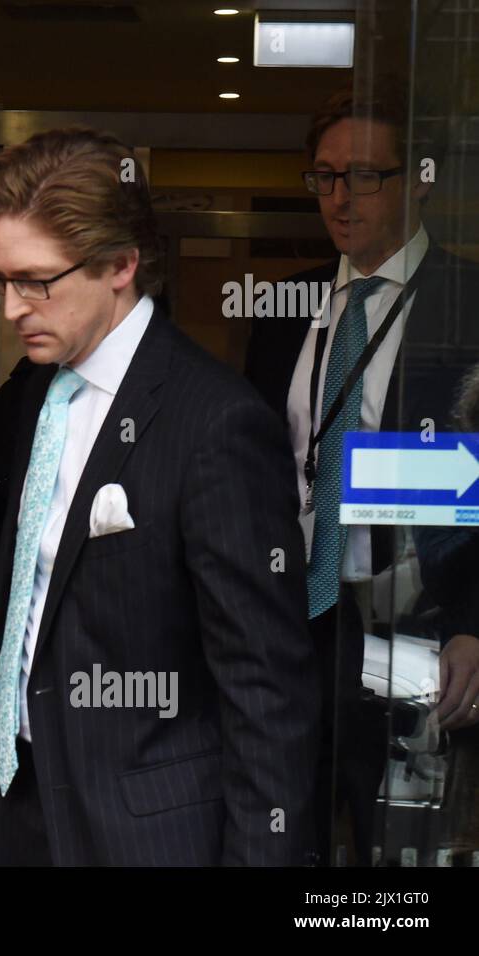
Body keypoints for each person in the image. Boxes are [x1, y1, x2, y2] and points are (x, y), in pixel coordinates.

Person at [0, 126, 319, 866]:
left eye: (36, 281)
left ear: (122, 265)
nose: (11, 308)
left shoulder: (217, 424)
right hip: (18, 807)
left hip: (147, 833)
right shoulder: (31, 397)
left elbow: (266, 689)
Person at [244, 81, 479, 864]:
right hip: (293, 625)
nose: (341, 197)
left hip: (415, 623)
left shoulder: (468, 305)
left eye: (366, 176)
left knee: (400, 852)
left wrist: (474, 622)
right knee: (286, 834)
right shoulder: (284, 309)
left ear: (420, 177)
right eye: (326, 176)